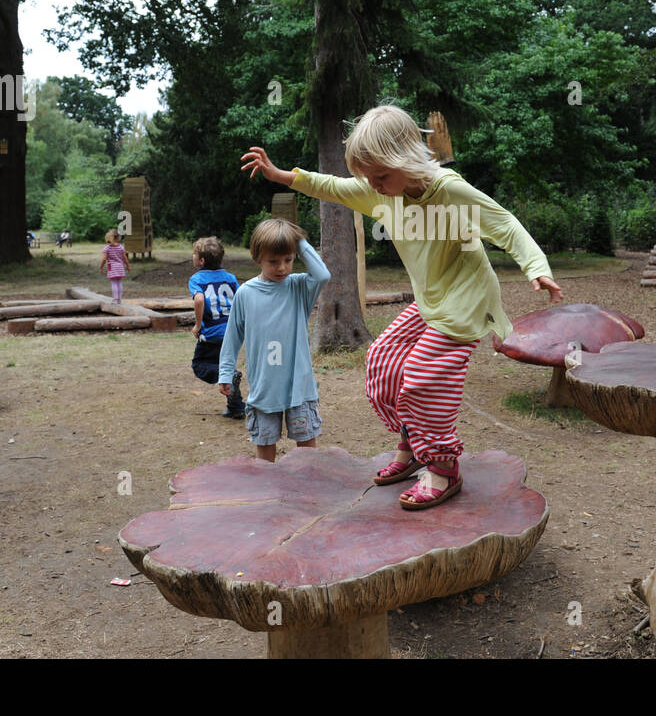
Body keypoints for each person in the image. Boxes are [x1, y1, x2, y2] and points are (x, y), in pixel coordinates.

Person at [241, 105, 563, 510]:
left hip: (465, 300)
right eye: (368, 178)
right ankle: (413, 445)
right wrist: (280, 175)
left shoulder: (448, 190)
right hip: (431, 301)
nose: (373, 186)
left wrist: (537, 268)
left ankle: (444, 468)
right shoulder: (380, 191)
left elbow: (505, 224)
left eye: (380, 176)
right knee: (383, 360)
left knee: (423, 377)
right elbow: (333, 187)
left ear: (404, 160)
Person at [217, 219, 329, 462]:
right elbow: (233, 335)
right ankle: (268, 494)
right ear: (257, 258)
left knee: (307, 454)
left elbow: (322, 274)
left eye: (288, 259)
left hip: (299, 389)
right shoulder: (245, 293)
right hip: (264, 388)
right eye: (273, 262)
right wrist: (225, 372)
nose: (282, 268)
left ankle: (308, 495)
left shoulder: (298, 287)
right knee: (265, 451)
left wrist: (297, 239)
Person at [188, 235, 245, 419]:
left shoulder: (197, 279)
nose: (193, 257)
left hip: (211, 333)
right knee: (225, 363)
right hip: (231, 332)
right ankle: (236, 407)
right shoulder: (230, 278)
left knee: (200, 366)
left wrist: (198, 325)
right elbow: (241, 299)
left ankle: (228, 376)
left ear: (202, 261)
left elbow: (199, 299)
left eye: (194, 254)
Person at [100, 229, 130, 304]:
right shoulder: (121, 247)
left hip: (112, 267)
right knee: (119, 282)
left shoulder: (107, 248)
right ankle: (119, 299)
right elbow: (125, 258)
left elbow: (104, 259)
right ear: (118, 237)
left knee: (114, 283)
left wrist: (101, 267)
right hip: (120, 267)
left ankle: (115, 299)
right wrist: (128, 266)